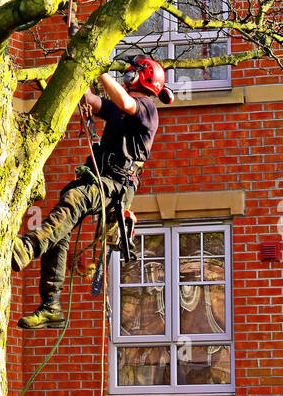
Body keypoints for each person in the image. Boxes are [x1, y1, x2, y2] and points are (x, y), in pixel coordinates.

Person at [11, 56, 173, 330]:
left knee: (76, 199)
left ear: (142, 79)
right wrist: (79, 63)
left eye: (132, 72)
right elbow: (92, 100)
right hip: (100, 178)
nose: (127, 75)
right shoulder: (119, 109)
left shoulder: (146, 108)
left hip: (117, 185)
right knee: (60, 227)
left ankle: (27, 248)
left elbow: (123, 101)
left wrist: (99, 69)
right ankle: (50, 306)